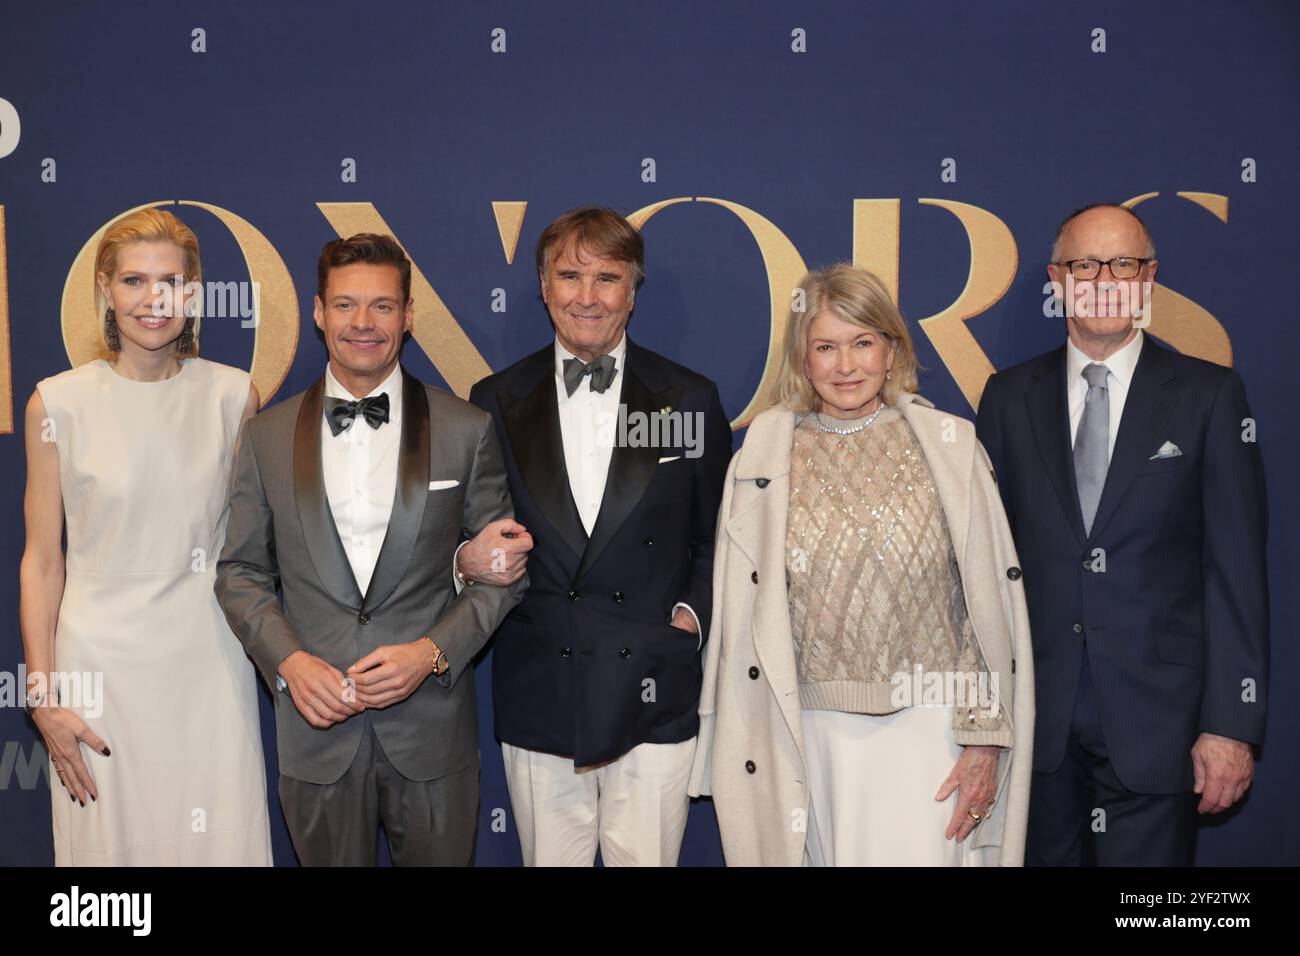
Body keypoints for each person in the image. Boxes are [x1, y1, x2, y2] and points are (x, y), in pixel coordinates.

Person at [690, 263, 1034, 866]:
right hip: (808, 736)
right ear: (801, 358)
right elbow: (741, 632)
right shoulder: (760, 463)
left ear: (891, 348)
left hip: (935, 735)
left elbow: (982, 611)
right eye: (825, 346)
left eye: (862, 342)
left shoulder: (950, 448)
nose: (845, 365)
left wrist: (985, 742)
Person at [215, 233, 526, 866]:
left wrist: (431, 653)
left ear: (409, 316)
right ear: (318, 311)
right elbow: (240, 572)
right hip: (315, 729)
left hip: (433, 733)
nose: (363, 323)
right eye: (347, 305)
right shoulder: (265, 437)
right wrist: (290, 663)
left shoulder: (466, 430)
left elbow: (503, 570)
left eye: (382, 306)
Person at [976, 203, 1269, 866]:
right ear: (1057, 279)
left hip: (1161, 724)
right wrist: (980, 720)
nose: (1104, 278)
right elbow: (982, 567)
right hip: (1035, 725)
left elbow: (1237, 576)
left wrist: (1231, 726)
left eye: (1124, 263)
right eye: (1085, 263)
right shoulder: (1006, 397)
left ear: (1150, 278)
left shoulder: (1209, 397)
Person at [463, 206, 732, 866]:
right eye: (569, 275)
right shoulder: (495, 399)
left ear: (633, 293)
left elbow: (718, 536)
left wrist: (690, 620)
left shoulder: (687, 399)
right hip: (542, 684)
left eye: (607, 278)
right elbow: (473, 533)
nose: (587, 296)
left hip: (652, 682)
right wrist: (467, 559)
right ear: (543, 287)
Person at [19, 207, 273, 864]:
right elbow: (43, 563)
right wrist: (42, 699)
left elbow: (255, 555)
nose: (153, 300)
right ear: (104, 289)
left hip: (209, 668)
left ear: (194, 292)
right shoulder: (56, 404)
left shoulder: (234, 397)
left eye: (171, 282)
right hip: (98, 677)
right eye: (134, 281)